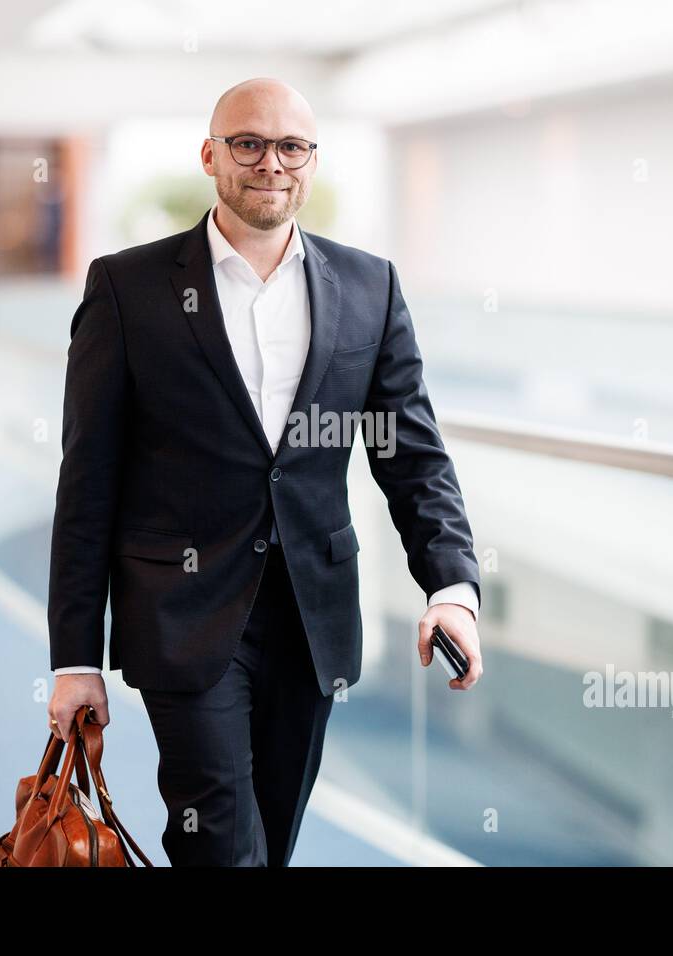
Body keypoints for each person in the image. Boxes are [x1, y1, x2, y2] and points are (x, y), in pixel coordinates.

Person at [46, 77, 483, 866]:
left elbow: (410, 454)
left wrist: (451, 588)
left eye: (291, 147)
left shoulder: (368, 286)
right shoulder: (129, 288)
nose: (270, 163)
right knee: (220, 844)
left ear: (311, 162)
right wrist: (76, 657)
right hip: (181, 619)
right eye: (248, 143)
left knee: (269, 843)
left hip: (310, 625)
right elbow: (87, 483)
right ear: (211, 155)